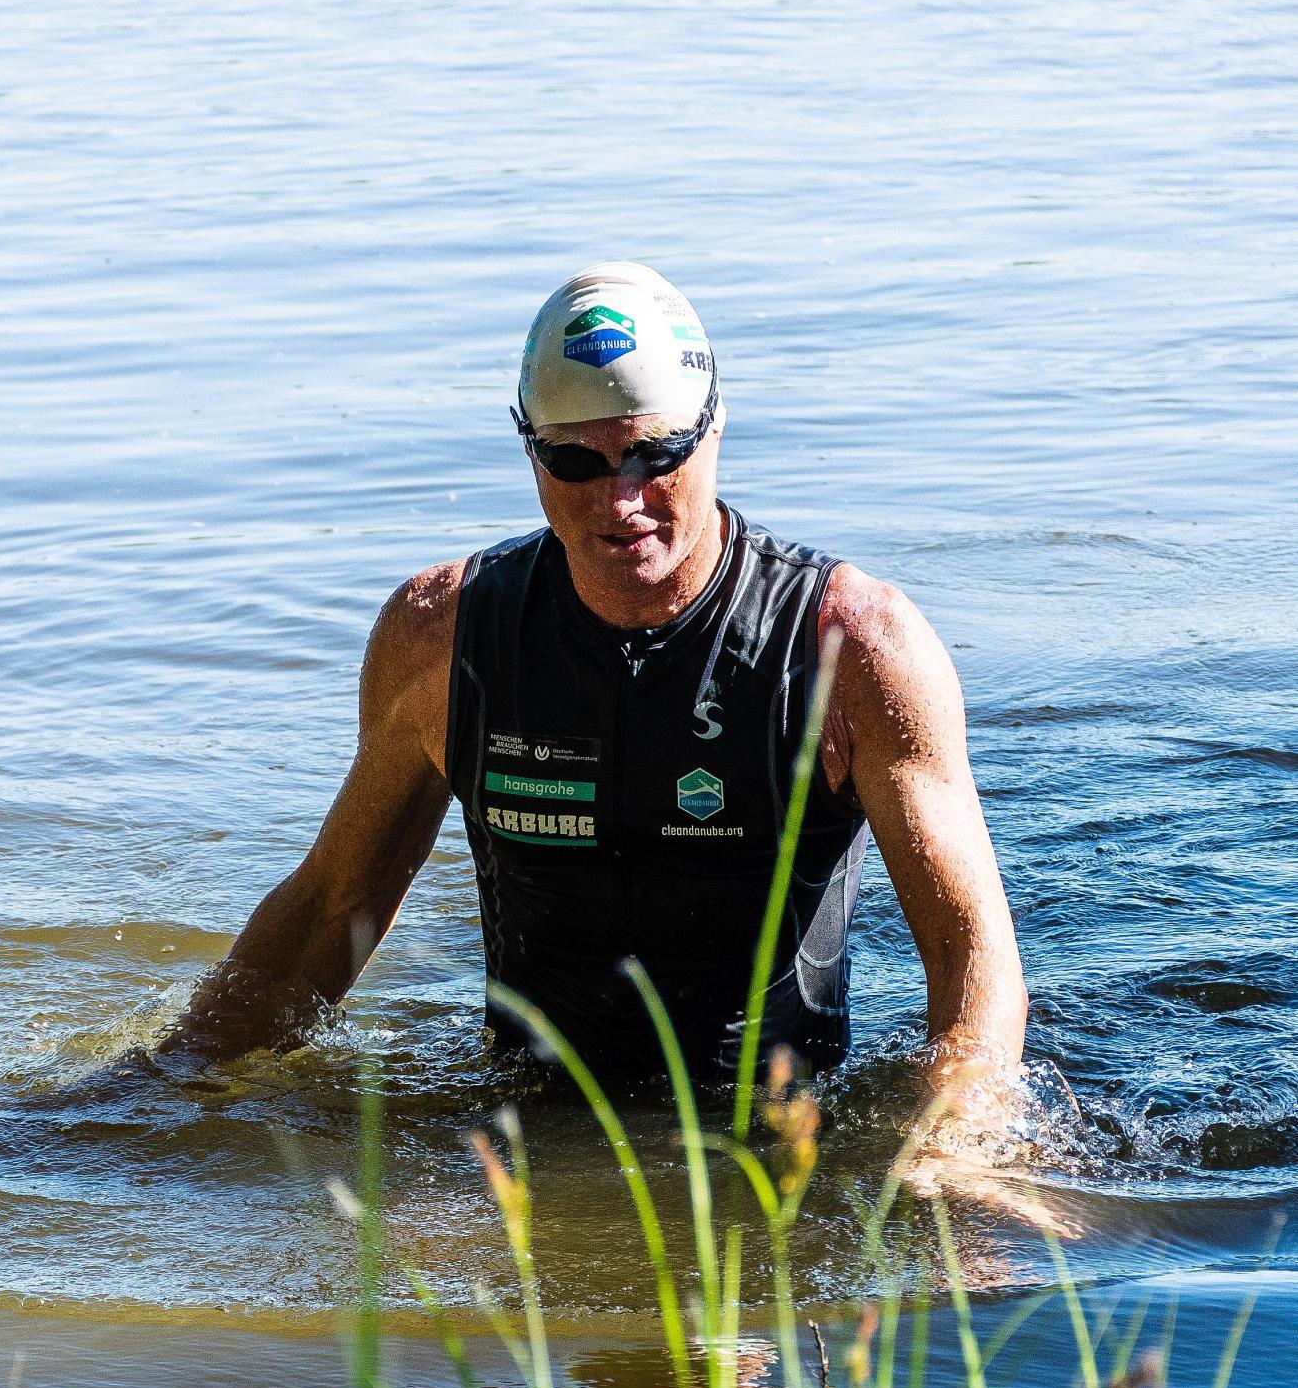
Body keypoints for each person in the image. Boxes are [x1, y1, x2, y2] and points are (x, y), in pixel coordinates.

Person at [159, 262, 1027, 1151]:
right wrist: (159, 1085)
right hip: (521, 1112)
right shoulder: (440, 635)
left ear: (714, 426)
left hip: (773, 1127)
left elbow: (973, 966)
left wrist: (958, 1148)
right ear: (527, 447)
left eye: (656, 455)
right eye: (575, 460)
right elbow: (330, 906)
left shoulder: (851, 647)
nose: (621, 500)